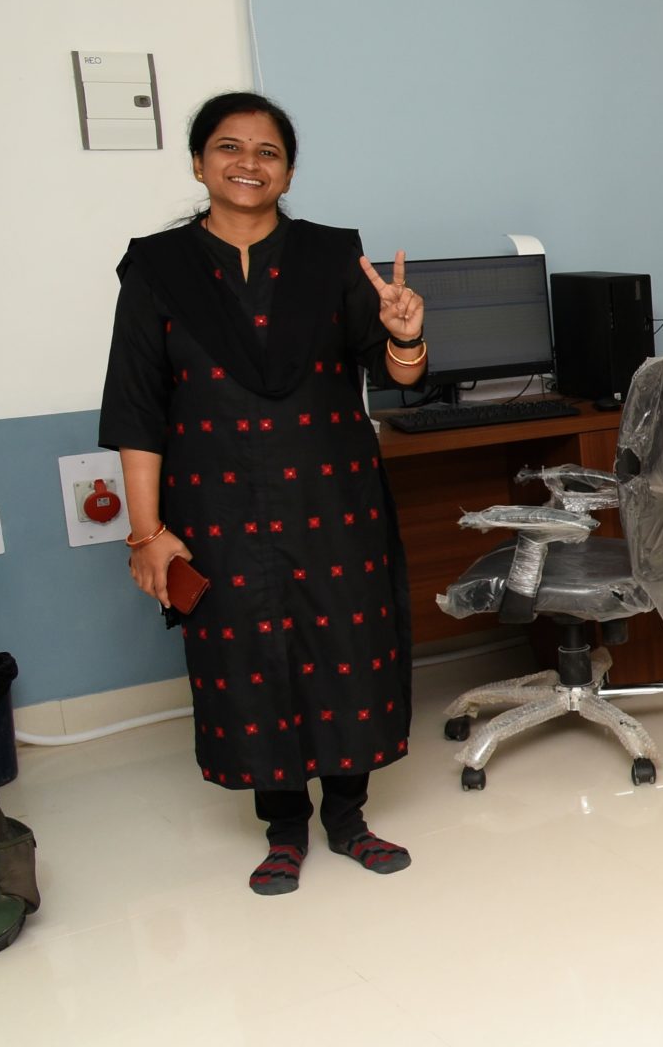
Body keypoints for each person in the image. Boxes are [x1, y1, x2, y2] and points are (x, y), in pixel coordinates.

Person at [100, 92, 427, 895]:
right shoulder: (157, 268)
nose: (249, 163)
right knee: (250, 657)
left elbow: (395, 377)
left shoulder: (330, 257)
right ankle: (284, 828)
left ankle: (348, 817)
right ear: (199, 162)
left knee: (347, 645)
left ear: (289, 169)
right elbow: (138, 410)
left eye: (268, 151)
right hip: (215, 502)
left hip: (334, 492)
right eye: (229, 147)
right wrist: (148, 533)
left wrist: (406, 331)